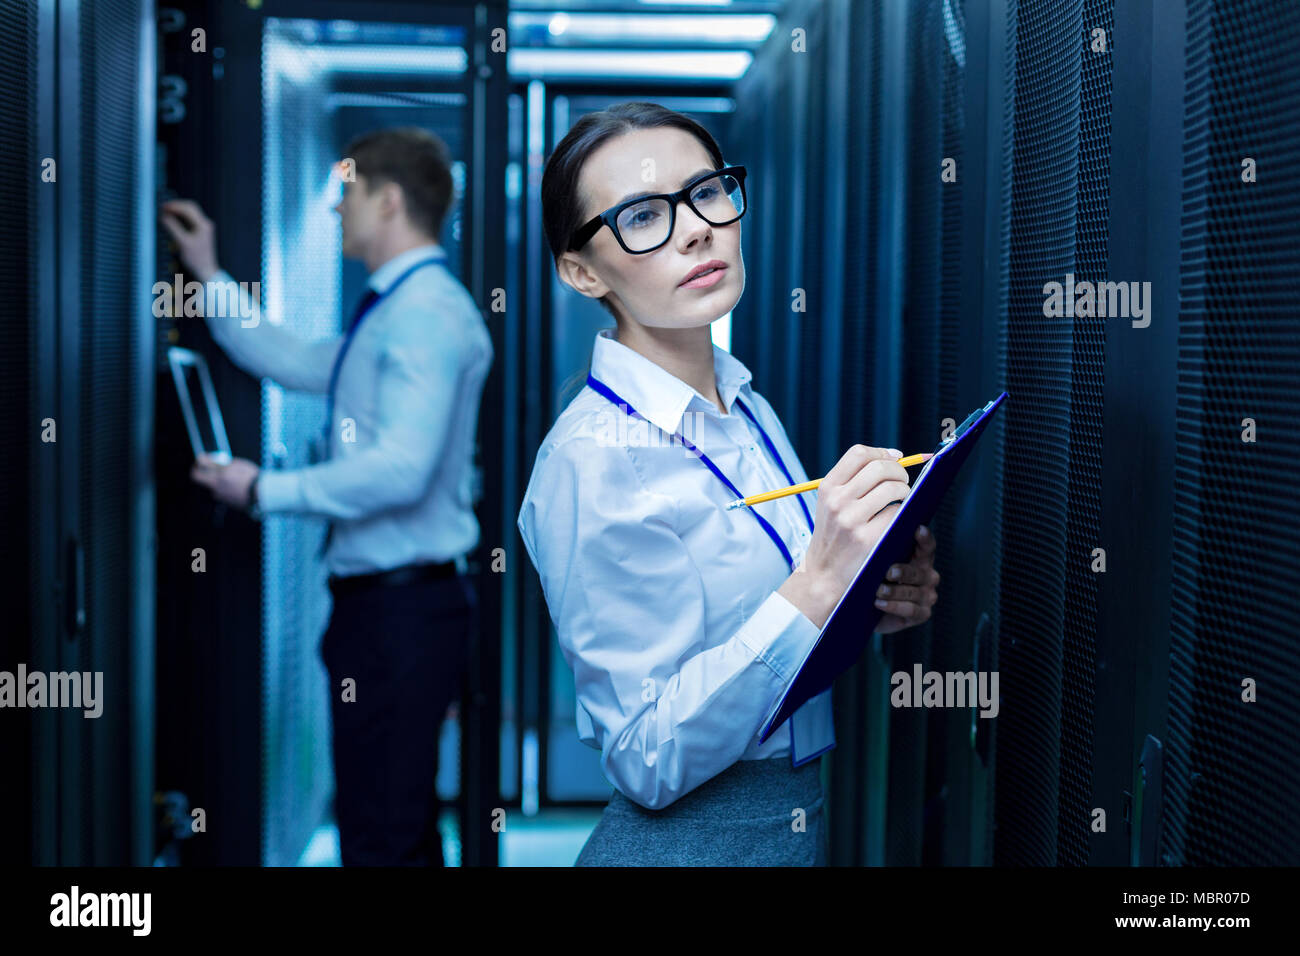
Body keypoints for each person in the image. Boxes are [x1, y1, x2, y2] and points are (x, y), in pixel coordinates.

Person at [517, 102, 940, 866]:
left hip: (785, 822)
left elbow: (755, 634)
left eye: (705, 192)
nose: (695, 228)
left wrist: (863, 594)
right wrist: (817, 581)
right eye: (643, 216)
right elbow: (645, 757)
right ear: (582, 272)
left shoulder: (743, 403)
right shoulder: (590, 460)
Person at [160, 126, 493, 866]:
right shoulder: (395, 310)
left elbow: (401, 468)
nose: (337, 210)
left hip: (401, 613)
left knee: (387, 831)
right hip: (385, 611)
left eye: (348, 192)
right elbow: (294, 359)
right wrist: (208, 271)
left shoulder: (426, 316)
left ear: (389, 201)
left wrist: (264, 488)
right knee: (380, 821)